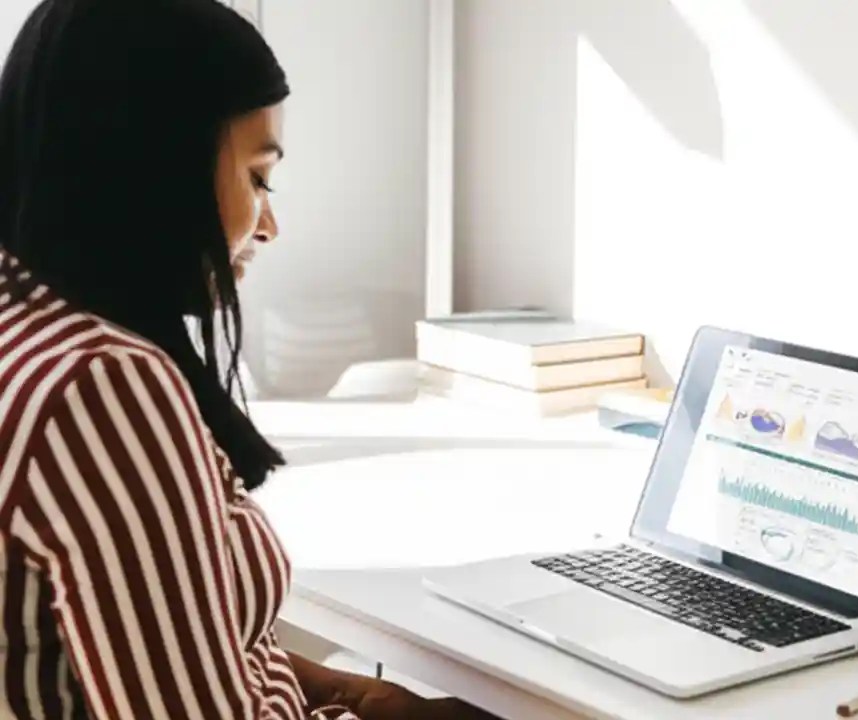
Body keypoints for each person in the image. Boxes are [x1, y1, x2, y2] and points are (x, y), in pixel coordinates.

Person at [0, 1, 493, 717]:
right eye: (259, 178)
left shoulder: (26, 323)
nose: (269, 223)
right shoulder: (99, 385)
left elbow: (167, 644)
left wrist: (367, 695)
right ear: (155, 169)